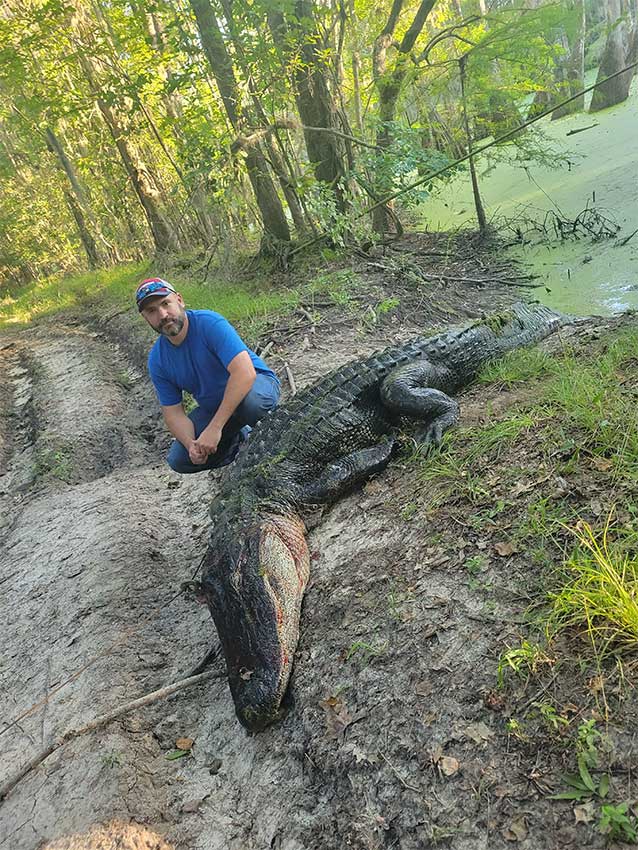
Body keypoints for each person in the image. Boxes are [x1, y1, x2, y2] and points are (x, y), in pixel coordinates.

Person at [136, 277, 280, 473]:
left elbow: (245, 373)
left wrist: (214, 428)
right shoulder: (157, 360)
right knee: (179, 459)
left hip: (255, 386)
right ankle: (242, 447)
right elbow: (173, 414)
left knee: (251, 404)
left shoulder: (209, 323)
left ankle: (281, 439)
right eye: (152, 311)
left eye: (165, 303)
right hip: (216, 408)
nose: (163, 314)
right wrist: (191, 445)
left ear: (179, 300)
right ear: (146, 318)